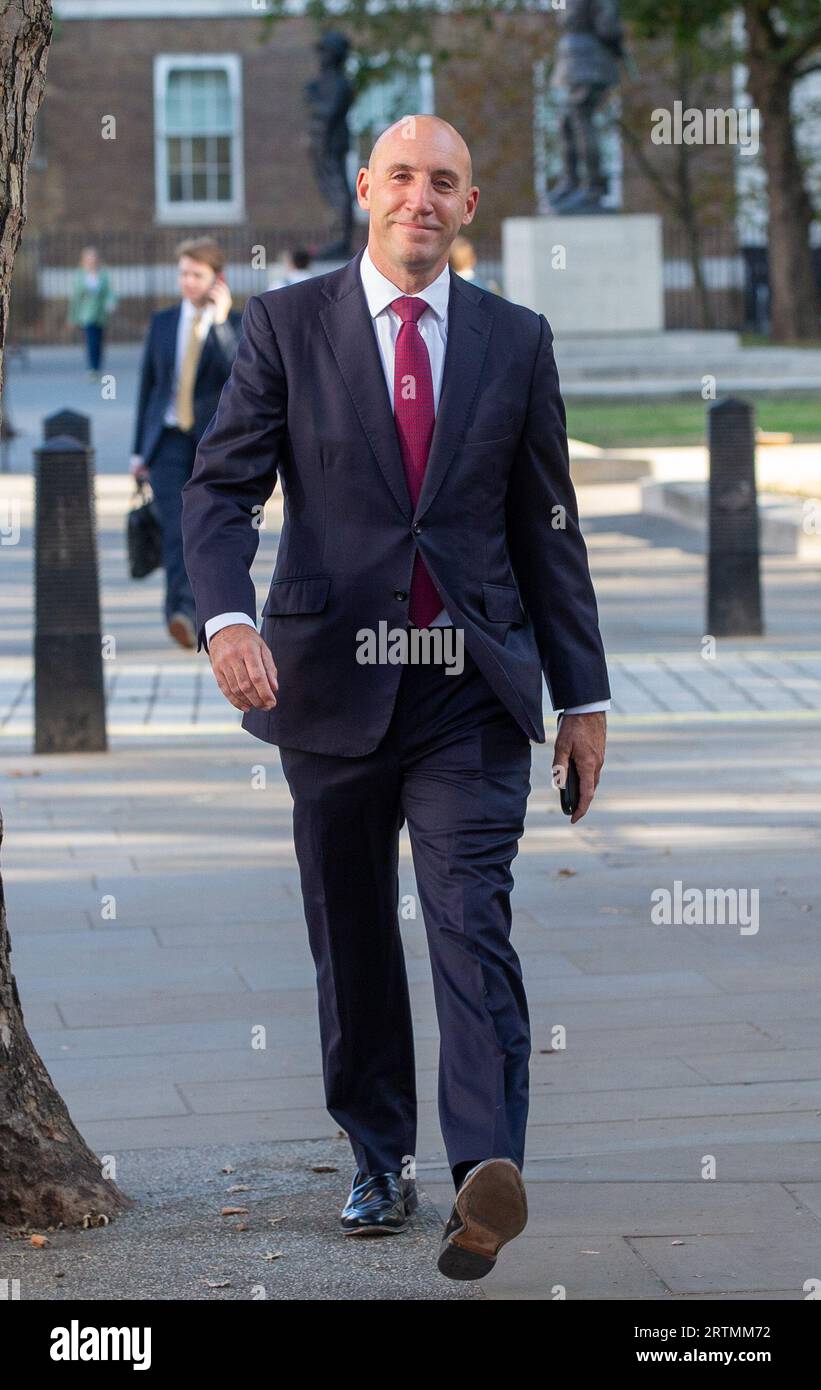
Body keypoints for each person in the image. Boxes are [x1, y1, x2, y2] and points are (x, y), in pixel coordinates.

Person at [181, 115, 610, 1280]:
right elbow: (218, 494)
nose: (422, 198)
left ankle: (483, 1170)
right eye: (404, 177)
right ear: (366, 188)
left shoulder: (515, 343)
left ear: (469, 206)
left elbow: (546, 529)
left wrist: (583, 695)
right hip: (327, 680)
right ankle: (377, 1151)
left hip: (468, 686)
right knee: (353, 930)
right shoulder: (283, 326)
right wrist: (224, 619)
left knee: (471, 916)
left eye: (447, 183)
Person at [130, 238, 242, 648]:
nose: (187, 282)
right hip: (167, 442)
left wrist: (220, 322)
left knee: (203, 530)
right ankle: (179, 611)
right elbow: (148, 386)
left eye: (196, 274)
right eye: (183, 273)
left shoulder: (235, 324)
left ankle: (195, 610)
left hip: (210, 444)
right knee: (175, 528)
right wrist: (138, 452)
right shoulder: (162, 321)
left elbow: (242, 378)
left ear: (217, 279)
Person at [67, 246, 117, 377]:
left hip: (101, 313)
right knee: (91, 340)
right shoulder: (80, 275)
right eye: (89, 259)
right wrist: (72, 317)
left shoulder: (103, 274)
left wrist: (111, 302)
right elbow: (76, 297)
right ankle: (92, 368)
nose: (92, 262)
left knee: (99, 341)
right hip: (87, 313)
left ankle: (98, 366)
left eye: (94, 259)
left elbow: (110, 292)